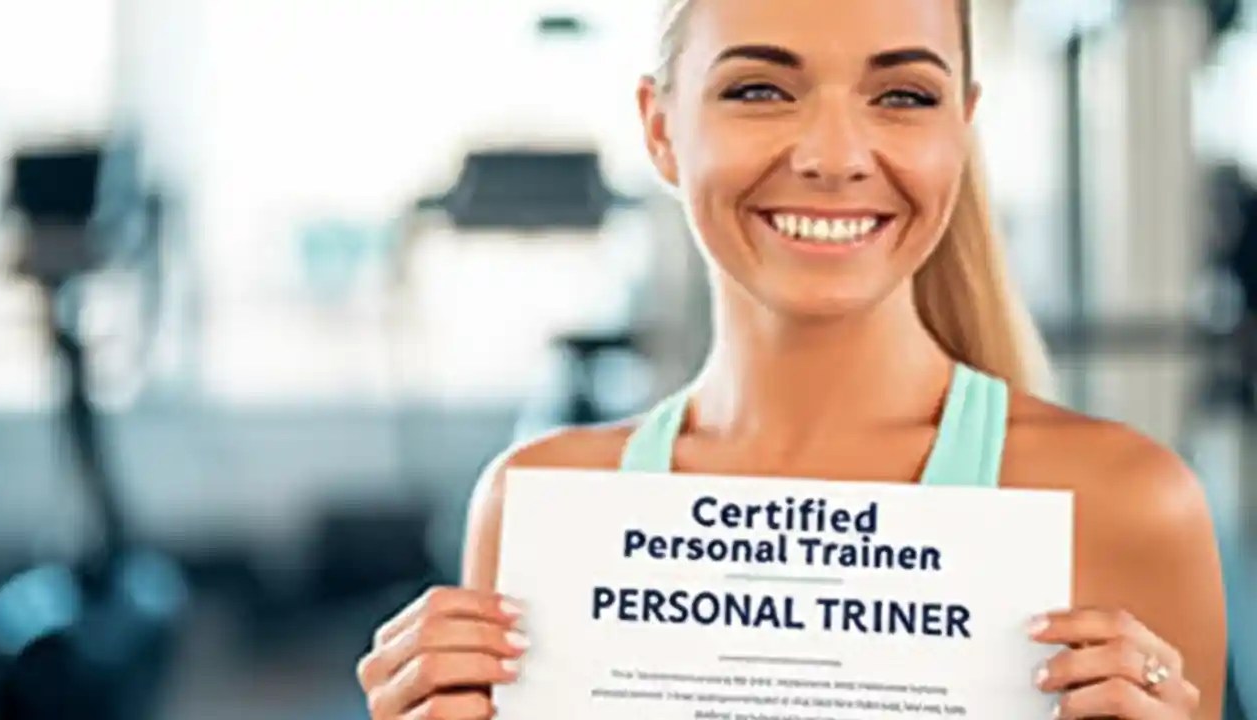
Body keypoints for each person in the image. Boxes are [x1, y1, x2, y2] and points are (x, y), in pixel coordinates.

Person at [356, 0, 1228, 717]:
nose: (833, 158)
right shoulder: (539, 507)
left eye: (903, 97)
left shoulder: (1127, 505)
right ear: (661, 131)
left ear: (961, 128)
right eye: (762, 88)